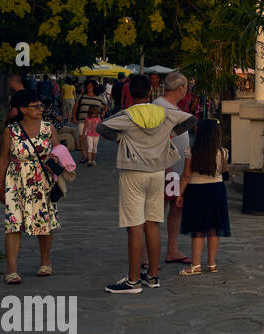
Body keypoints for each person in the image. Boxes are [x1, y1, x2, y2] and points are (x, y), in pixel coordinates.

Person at [96, 74, 197, 294]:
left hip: (134, 172)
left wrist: (120, 139)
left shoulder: (128, 114)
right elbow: (191, 120)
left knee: (135, 226)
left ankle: (133, 280)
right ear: (151, 92)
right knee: (153, 224)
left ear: (130, 93)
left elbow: (102, 128)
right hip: (157, 172)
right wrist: (168, 135)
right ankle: (152, 276)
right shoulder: (163, 113)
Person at [0, 89, 60, 283]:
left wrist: (58, 163)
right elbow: (3, 158)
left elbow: (59, 152)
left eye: (40, 105)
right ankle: (12, 268)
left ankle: (45, 261)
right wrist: (0, 185)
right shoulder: (11, 131)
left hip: (43, 180)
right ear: (23, 109)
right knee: (13, 223)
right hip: (16, 180)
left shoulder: (49, 128)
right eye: (35, 106)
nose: (40, 109)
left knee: (44, 222)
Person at [175, 118, 230, 276]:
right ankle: (212, 263)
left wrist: (180, 193)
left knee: (198, 229)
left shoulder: (191, 151)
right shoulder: (223, 152)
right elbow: (223, 170)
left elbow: (186, 175)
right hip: (217, 190)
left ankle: (196, 265)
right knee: (214, 228)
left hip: (196, 191)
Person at [150, 71, 193, 270]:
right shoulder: (159, 108)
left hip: (176, 170)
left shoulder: (170, 107)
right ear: (180, 88)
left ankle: (172, 249)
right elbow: (159, 140)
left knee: (176, 208)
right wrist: (167, 168)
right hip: (166, 169)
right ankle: (148, 255)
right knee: (156, 211)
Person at [73, 79, 105, 167]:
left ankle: (91, 154)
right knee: (82, 138)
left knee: (92, 138)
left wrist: (103, 112)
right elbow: (75, 107)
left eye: (91, 86)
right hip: (83, 120)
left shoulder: (100, 98)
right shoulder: (81, 96)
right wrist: (74, 117)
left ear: (95, 87)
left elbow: (105, 106)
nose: (88, 87)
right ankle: (84, 156)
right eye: (87, 85)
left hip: (94, 122)